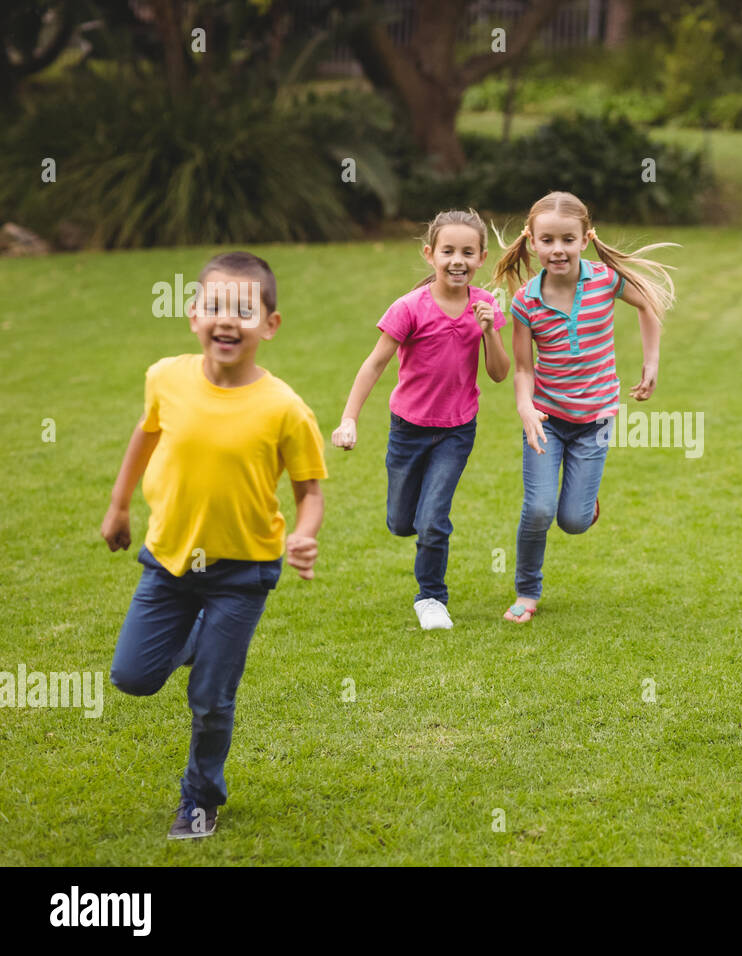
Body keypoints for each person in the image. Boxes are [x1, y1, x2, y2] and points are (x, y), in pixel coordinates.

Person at [102, 251, 327, 838]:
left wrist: (304, 536)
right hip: (168, 560)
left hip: (243, 571)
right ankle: (198, 638)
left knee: (210, 697)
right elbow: (145, 435)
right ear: (193, 312)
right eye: (216, 306)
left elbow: (310, 493)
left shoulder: (285, 409)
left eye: (244, 310)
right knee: (132, 677)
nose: (228, 320)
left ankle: (199, 799)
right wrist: (119, 505)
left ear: (270, 325)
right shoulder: (166, 377)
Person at [491, 191, 677, 623]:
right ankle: (526, 592)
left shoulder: (604, 281)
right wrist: (524, 407)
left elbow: (649, 304)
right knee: (538, 510)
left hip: (595, 419)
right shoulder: (525, 302)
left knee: (572, 520)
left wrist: (651, 363)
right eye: (549, 240)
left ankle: (584, 504)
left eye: (568, 240)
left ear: (586, 238)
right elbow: (522, 369)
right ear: (532, 242)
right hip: (546, 420)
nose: (559, 249)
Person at [332, 210, 509, 629]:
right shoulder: (410, 307)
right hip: (408, 430)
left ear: (481, 256)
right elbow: (375, 364)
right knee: (400, 522)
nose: (457, 259)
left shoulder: (485, 306)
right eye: (448, 251)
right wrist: (349, 419)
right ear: (430, 254)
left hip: (456, 430)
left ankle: (431, 597)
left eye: (468, 251)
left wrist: (490, 332)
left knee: (433, 520)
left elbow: (499, 373)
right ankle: (419, 530)